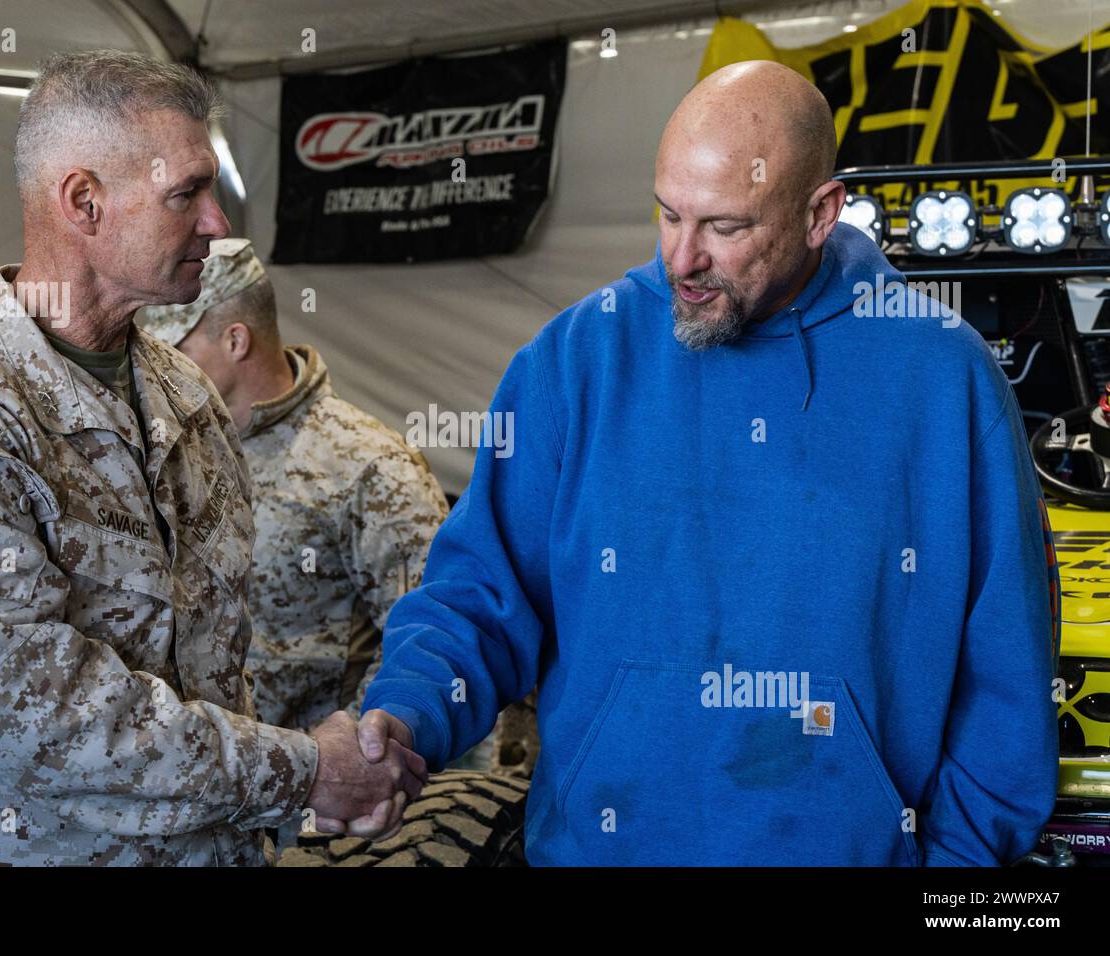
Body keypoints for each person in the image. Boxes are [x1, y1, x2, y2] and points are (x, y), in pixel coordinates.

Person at [354, 60, 1060, 866]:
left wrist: (959, 871)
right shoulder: (574, 363)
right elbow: (481, 596)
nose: (682, 260)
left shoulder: (944, 381)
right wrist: (406, 712)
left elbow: (1009, 676)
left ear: (820, 213)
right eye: (667, 215)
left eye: (725, 227)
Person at [0, 50, 422, 867]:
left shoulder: (185, 397)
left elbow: (216, 661)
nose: (217, 223)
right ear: (84, 202)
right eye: (187, 193)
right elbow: (42, 717)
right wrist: (309, 771)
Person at [140, 241, 448, 740]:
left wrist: (353, 758)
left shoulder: (365, 463)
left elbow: (430, 638)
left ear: (235, 341)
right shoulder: (169, 451)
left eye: (175, 351)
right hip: (201, 778)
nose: (157, 370)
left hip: (313, 794)